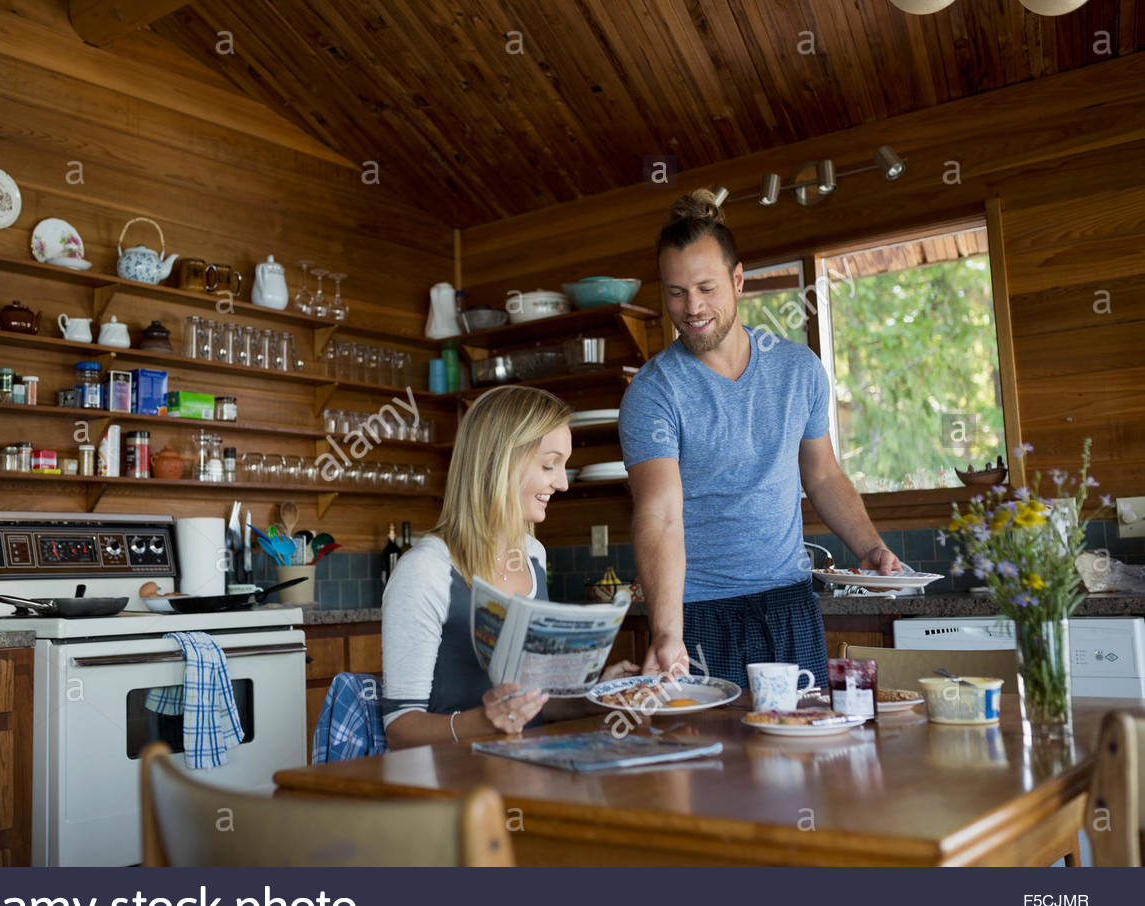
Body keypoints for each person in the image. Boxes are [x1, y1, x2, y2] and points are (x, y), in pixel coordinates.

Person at [619, 188, 902, 691]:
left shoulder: (798, 370)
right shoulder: (653, 392)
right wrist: (666, 631)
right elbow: (660, 513)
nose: (692, 307)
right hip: (697, 613)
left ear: (738, 279)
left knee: (805, 760)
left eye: (706, 288)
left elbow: (823, 474)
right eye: (676, 292)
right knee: (711, 765)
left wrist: (870, 546)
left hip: (789, 604)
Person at [381, 385, 638, 748]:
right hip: (456, 785)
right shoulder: (426, 570)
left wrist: (596, 695)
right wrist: (484, 720)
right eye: (549, 465)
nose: (562, 483)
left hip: (528, 771)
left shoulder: (533, 556)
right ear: (501, 463)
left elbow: (533, 708)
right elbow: (400, 728)